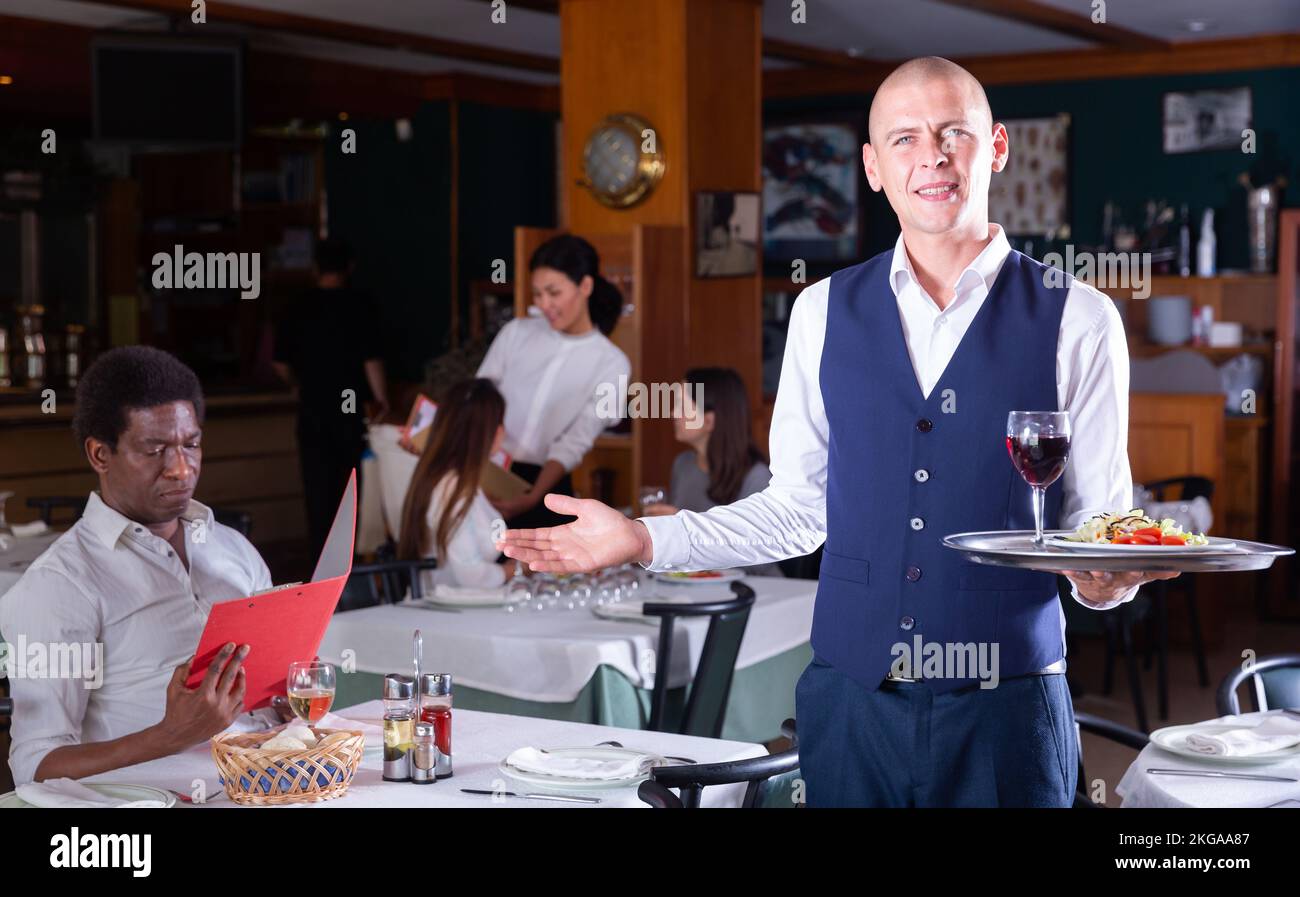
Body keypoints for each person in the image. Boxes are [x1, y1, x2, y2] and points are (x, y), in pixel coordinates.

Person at [497, 57, 1178, 808]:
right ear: (874, 166)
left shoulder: (1078, 316)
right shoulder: (821, 311)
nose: (933, 156)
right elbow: (798, 507)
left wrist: (1104, 580)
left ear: (996, 149)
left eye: (955, 133)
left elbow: (1098, 524)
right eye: (906, 139)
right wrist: (645, 538)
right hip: (851, 708)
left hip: (1006, 707)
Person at [0, 346, 268, 785]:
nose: (182, 469)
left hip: (268, 783)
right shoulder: (60, 585)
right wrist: (168, 735)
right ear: (100, 455)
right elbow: (35, 766)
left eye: (191, 444)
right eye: (155, 450)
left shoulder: (232, 548)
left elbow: (273, 694)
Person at [477, 234, 631, 529]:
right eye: (537, 294)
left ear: (585, 286)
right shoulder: (517, 333)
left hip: (546, 486)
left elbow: (576, 441)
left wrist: (534, 495)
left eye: (553, 292)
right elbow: (479, 398)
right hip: (487, 471)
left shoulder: (612, 363)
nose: (544, 304)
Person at [273, 237, 389, 562]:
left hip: (312, 411)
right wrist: (381, 400)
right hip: (349, 413)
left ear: (315, 268)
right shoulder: (361, 304)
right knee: (351, 492)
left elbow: (279, 363)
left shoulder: (297, 306)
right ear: (349, 267)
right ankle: (349, 565)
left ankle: (319, 565)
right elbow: (371, 360)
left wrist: (297, 385)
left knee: (317, 492)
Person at [643, 367, 782, 578]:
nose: (673, 413)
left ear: (709, 420)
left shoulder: (756, 477)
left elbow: (758, 558)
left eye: (682, 405)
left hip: (758, 593)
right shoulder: (683, 465)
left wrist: (684, 528)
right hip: (695, 590)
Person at [395, 378, 517, 589]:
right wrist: (515, 569)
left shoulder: (442, 478)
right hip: (452, 609)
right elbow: (470, 574)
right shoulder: (453, 488)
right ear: (495, 432)